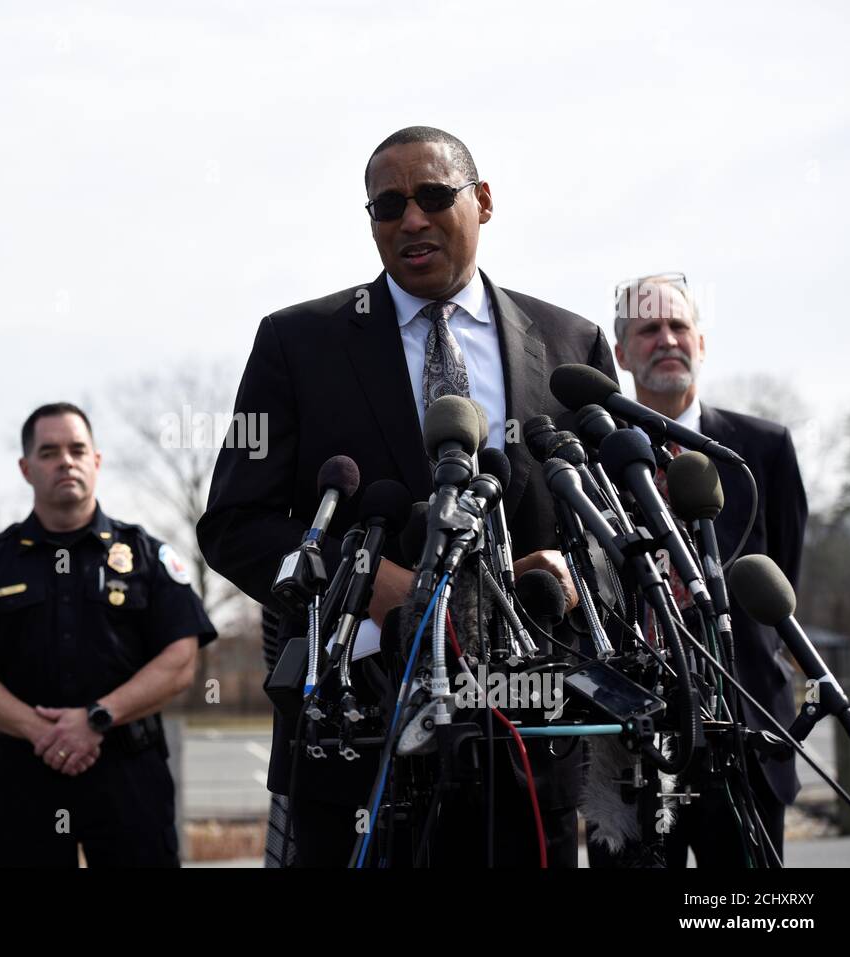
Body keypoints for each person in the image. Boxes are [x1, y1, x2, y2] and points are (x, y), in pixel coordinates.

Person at [198, 126, 620, 867]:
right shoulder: (297, 343)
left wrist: (575, 574)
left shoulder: (569, 343)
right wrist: (372, 587)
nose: (411, 219)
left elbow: (620, 528)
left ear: (483, 201)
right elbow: (235, 524)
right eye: (388, 206)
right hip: (358, 732)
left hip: (527, 735)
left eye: (432, 195)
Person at [0, 403, 217, 867]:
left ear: (96, 461)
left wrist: (97, 718)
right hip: (23, 776)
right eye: (49, 452)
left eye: (78, 449)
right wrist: (42, 732)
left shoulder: (145, 555)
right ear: (26, 468)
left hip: (128, 770)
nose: (66, 461)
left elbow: (180, 659)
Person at [610, 273, 806, 865]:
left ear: (701, 342)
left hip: (745, 731)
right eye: (648, 329)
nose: (666, 339)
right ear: (620, 352)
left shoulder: (762, 449)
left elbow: (781, 587)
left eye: (679, 326)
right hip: (629, 741)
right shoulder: (587, 457)